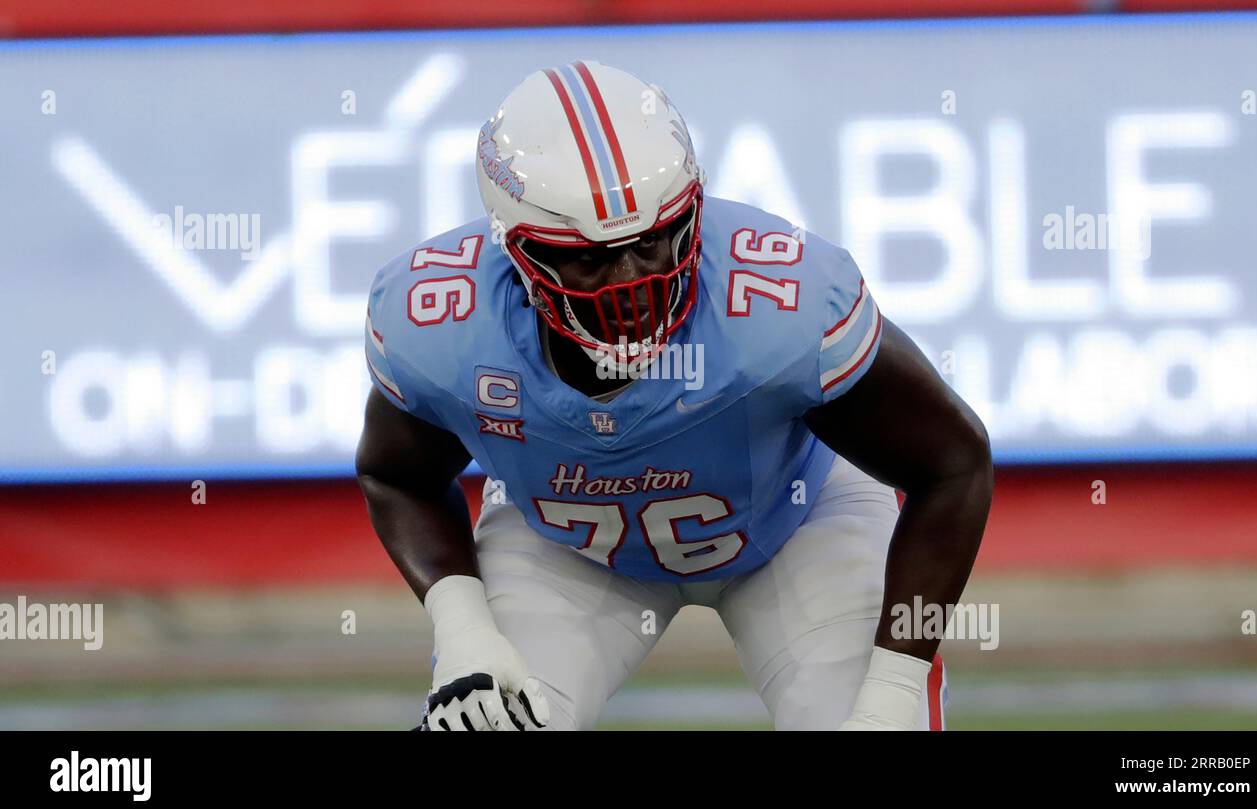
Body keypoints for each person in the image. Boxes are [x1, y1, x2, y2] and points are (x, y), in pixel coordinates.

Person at [355, 61, 993, 731]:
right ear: (516, 253)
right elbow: (395, 474)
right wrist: (462, 628)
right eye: (590, 258)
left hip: (795, 522)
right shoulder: (443, 324)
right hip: (566, 548)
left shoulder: (784, 304)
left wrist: (895, 684)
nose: (632, 281)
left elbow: (954, 463)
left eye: (652, 241)